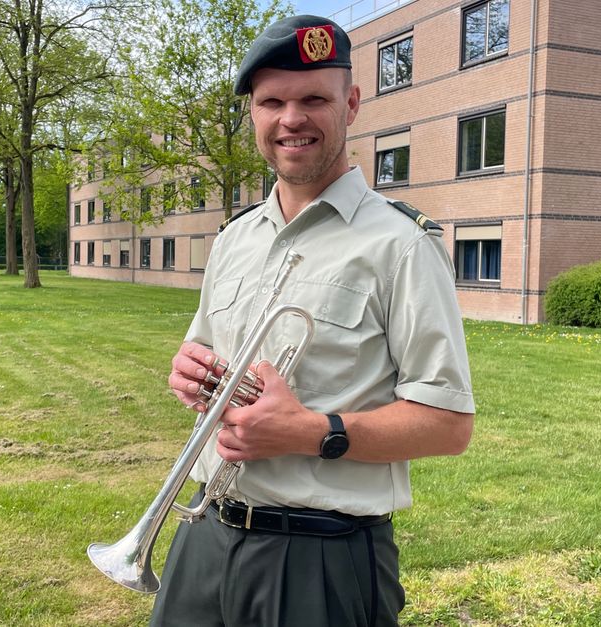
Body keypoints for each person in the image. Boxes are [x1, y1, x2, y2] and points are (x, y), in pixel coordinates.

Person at [153, 14, 475, 627]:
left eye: (313, 100)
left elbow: (448, 425)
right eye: (272, 102)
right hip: (203, 534)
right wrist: (189, 374)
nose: (291, 119)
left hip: (321, 557)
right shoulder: (234, 238)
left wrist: (309, 432)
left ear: (350, 104)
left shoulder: (402, 244)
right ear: (253, 114)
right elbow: (205, 354)